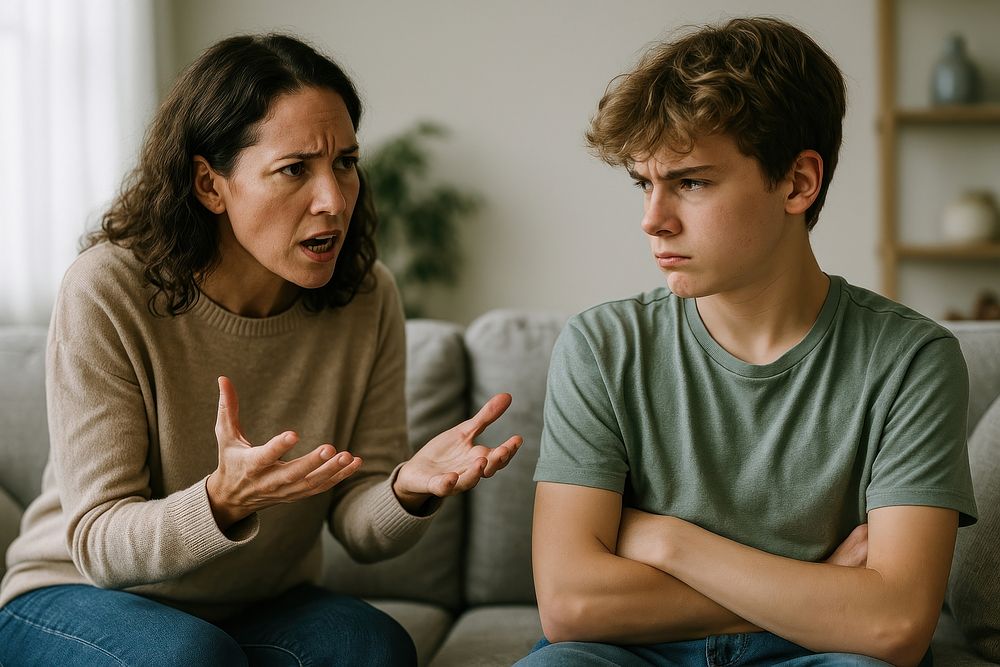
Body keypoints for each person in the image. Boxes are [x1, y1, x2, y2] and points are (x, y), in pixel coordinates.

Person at [0, 33, 522, 666]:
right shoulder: (107, 289)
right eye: (295, 169)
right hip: (75, 596)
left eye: (346, 163)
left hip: (258, 603)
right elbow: (101, 544)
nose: (334, 200)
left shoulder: (365, 296)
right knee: (188, 657)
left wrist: (410, 488)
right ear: (210, 185)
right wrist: (223, 500)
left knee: (373, 648)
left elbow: (358, 525)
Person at [519, 17, 976, 667]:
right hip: (631, 653)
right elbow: (571, 604)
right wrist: (822, 580)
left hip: (823, 655)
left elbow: (894, 621)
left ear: (797, 183)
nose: (653, 219)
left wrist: (670, 541)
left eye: (692, 181)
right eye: (645, 183)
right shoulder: (601, 344)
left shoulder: (912, 360)